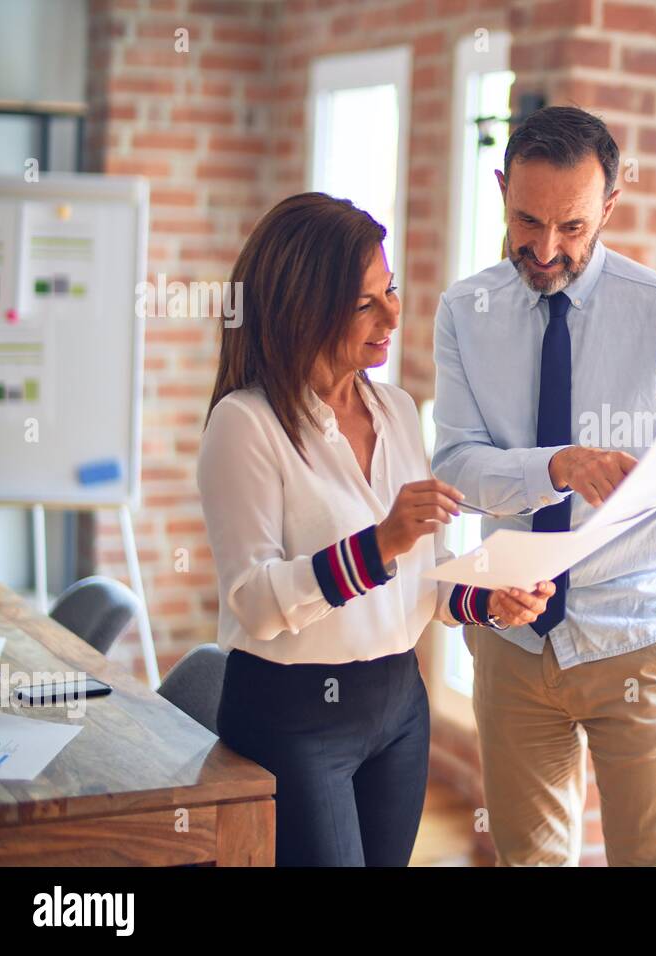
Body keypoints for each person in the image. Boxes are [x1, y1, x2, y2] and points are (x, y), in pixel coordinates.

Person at [432, 106, 656, 866]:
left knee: (654, 858)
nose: (546, 248)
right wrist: (557, 466)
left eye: (573, 227)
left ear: (609, 206)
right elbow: (454, 470)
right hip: (511, 637)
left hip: (637, 636)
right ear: (502, 189)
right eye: (528, 220)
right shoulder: (464, 313)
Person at [197, 192, 553, 866]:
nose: (393, 313)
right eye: (365, 303)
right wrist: (379, 544)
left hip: (398, 709)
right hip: (292, 717)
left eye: (389, 290)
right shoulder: (244, 425)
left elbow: (423, 571)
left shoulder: (393, 409)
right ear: (302, 309)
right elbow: (254, 602)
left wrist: (488, 599)